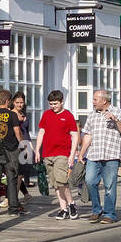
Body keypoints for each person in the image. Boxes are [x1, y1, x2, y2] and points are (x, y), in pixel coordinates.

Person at [78, 89, 121, 224]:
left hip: (111, 155)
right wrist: (81, 153)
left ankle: (109, 214)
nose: (93, 102)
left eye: (95, 99)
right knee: (90, 181)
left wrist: (116, 121)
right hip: (94, 155)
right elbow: (88, 135)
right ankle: (96, 209)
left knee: (109, 186)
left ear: (104, 101)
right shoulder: (92, 115)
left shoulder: (119, 112)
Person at [36, 90, 80, 221]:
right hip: (48, 153)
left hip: (62, 153)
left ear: (62, 102)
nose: (53, 106)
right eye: (51, 104)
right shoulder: (46, 115)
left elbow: (75, 135)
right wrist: (37, 150)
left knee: (62, 181)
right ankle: (63, 208)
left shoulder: (68, 116)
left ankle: (71, 203)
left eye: (55, 103)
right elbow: (41, 132)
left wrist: (72, 155)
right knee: (55, 183)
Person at [0, 90, 25, 215]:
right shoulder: (12, 115)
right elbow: (17, 132)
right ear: (8, 101)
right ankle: (13, 208)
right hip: (11, 150)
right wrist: (23, 145)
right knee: (11, 179)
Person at [11, 90, 34, 201]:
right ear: (13, 103)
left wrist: (30, 146)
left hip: (26, 144)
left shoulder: (24, 115)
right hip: (16, 145)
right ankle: (12, 197)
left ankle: (15, 196)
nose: (20, 104)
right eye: (17, 102)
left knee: (22, 172)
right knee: (16, 172)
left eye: (21, 102)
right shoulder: (11, 114)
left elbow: (27, 132)